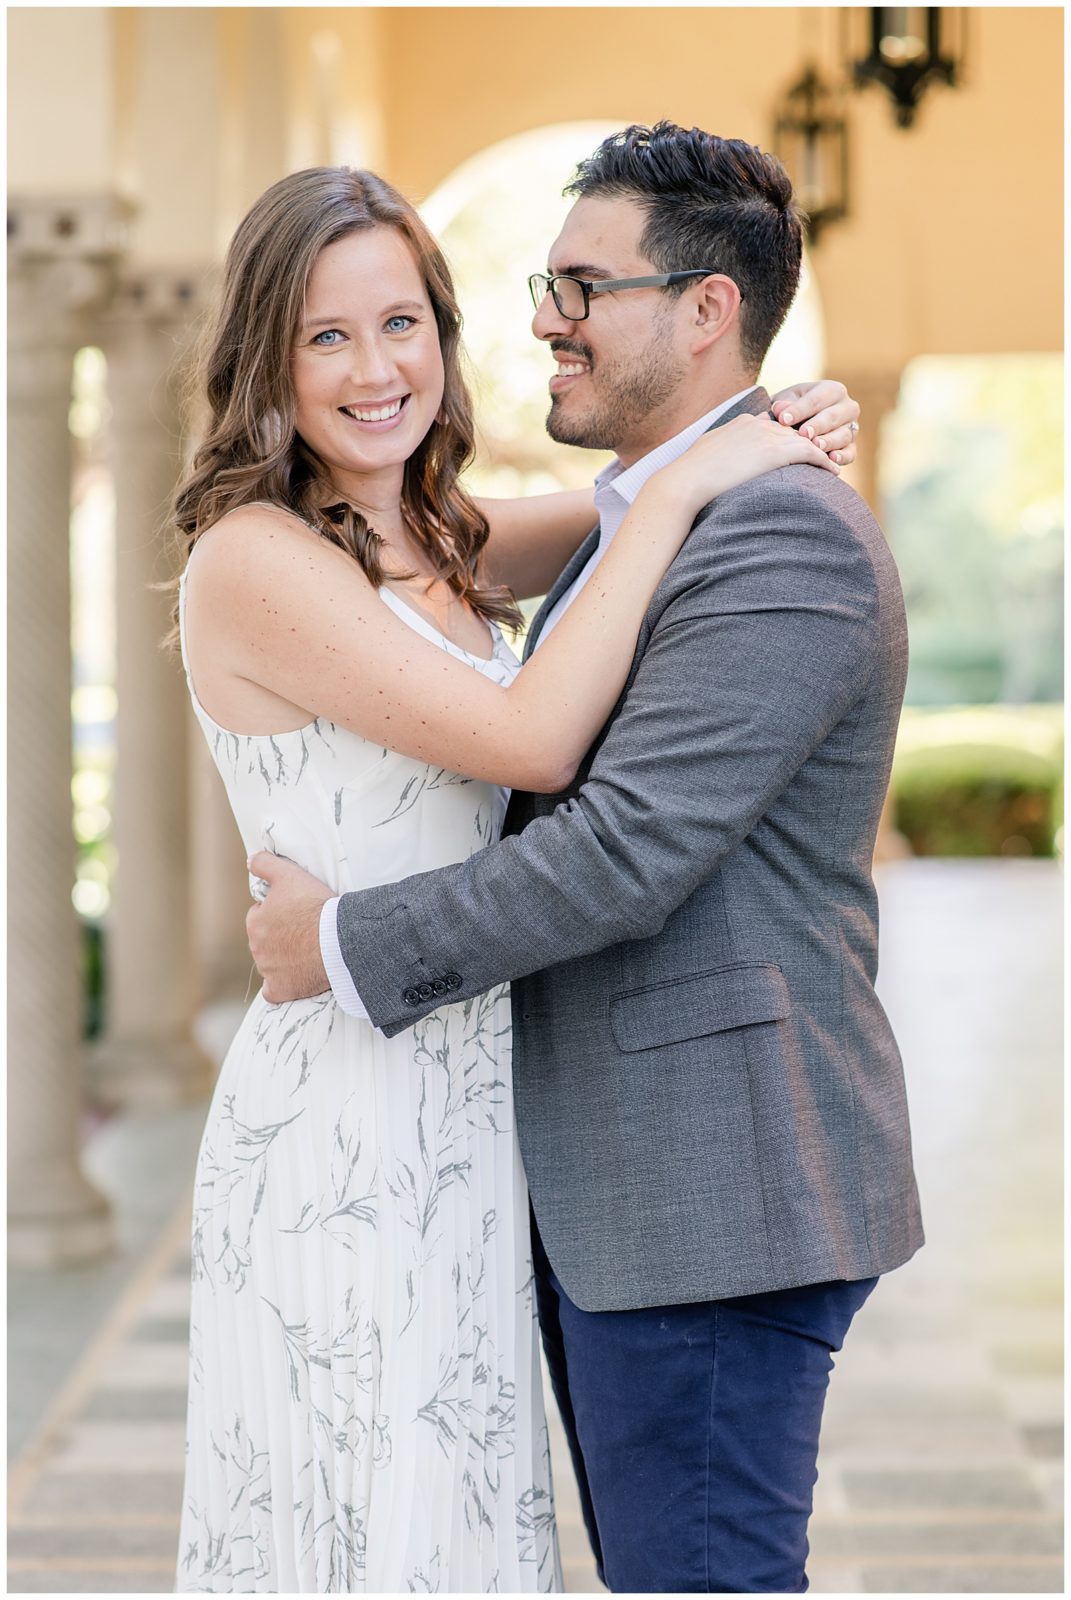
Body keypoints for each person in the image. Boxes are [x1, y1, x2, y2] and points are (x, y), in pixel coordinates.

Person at [248, 124, 925, 1595]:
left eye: (580, 287)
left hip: (714, 1195)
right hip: (616, 1186)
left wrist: (343, 943)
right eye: (540, 286)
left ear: (704, 311)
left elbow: (622, 853)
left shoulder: (778, 539)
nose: (543, 319)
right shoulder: (649, 515)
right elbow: (441, 556)